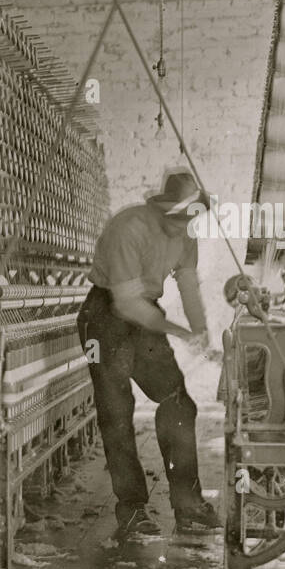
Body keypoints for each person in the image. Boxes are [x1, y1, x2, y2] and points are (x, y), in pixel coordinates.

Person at [76, 168, 223, 539]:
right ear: (162, 209)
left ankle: (188, 505)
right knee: (116, 410)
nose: (182, 227)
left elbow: (188, 283)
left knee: (177, 401)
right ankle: (131, 509)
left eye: (190, 219)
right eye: (176, 218)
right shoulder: (129, 227)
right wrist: (178, 331)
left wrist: (200, 328)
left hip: (145, 315)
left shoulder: (187, 232)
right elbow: (126, 302)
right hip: (105, 316)